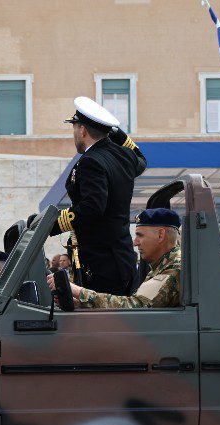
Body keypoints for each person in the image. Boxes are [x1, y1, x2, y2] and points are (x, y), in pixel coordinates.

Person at [56, 96, 147, 295]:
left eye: (74, 128)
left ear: (82, 130)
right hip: (122, 259)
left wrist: (53, 223)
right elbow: (141, 158)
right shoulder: (124, 156)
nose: (74, 134)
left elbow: (92, 207)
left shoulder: (91, 161)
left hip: (101, 265)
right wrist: (117, 133)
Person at [48, 207, 181, 309]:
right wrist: (80, 304)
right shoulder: (161, 265)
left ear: (160, 235)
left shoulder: (175, 267)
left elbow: (136, 307)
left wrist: (78, 291)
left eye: (140, 235)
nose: (135, 242)